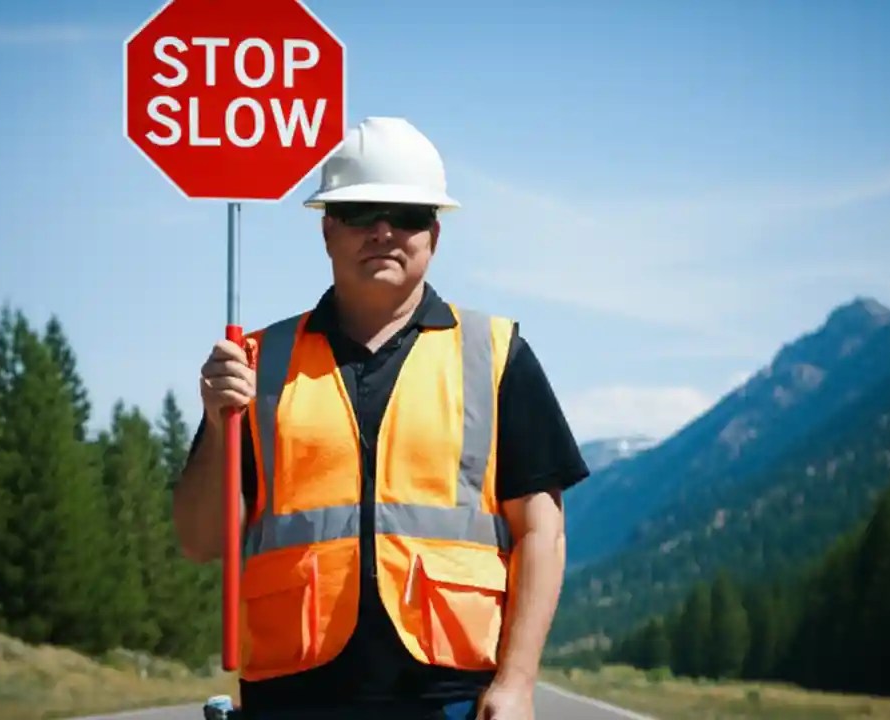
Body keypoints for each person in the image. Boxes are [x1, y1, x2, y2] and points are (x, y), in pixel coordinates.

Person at [173, 116, 590, 720]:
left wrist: (518, 682)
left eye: (409, 215)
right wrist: (217, 425)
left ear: (435, 235)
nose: (385, 230)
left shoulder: (496, 356)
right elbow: (200, 540)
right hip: (292, 697)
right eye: (363, 211)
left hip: (448, 697)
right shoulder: (259, 365)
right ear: (328, 230)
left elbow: (541, 533)